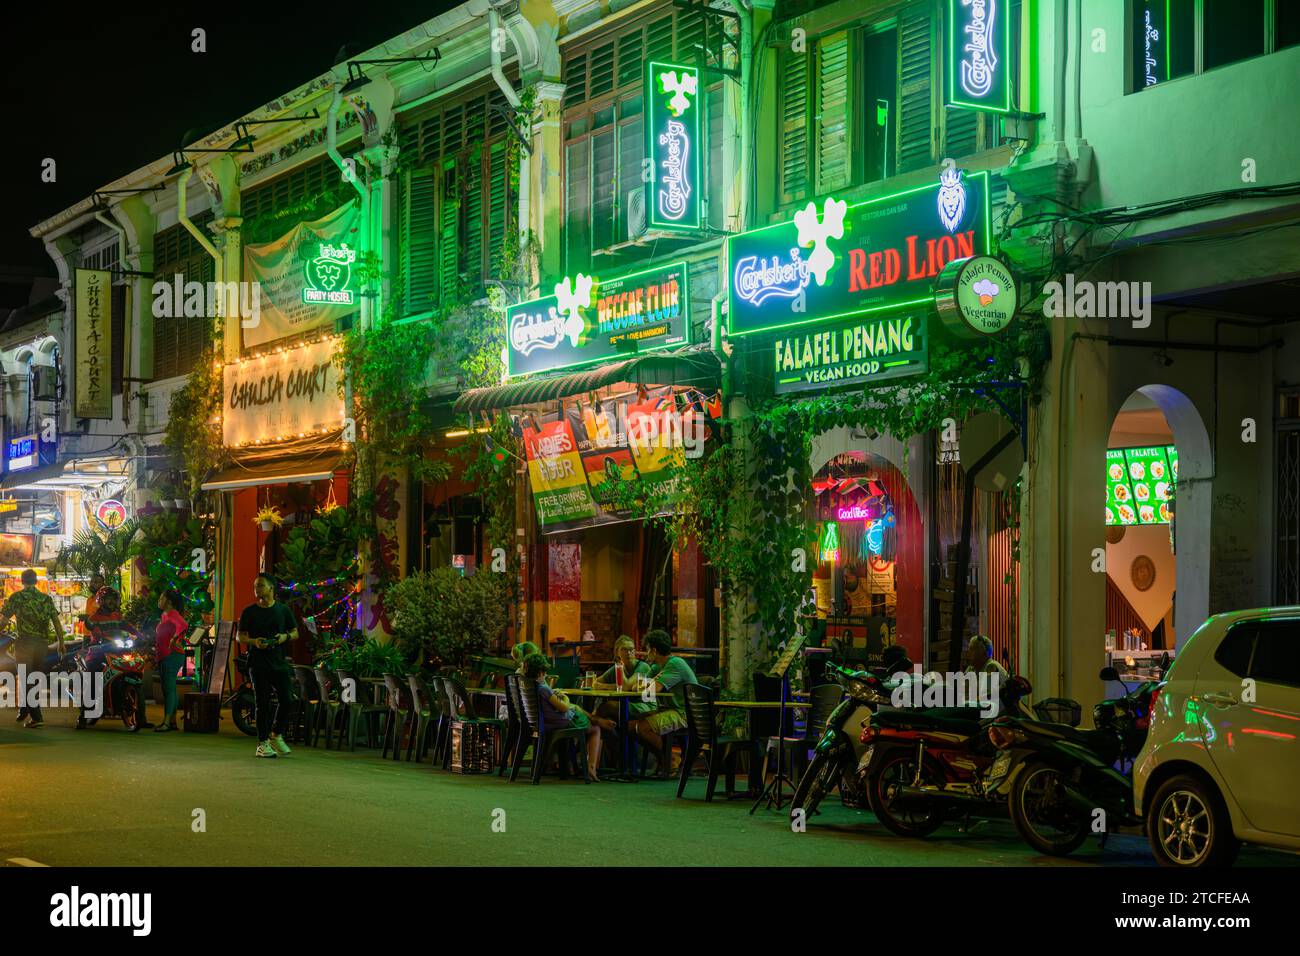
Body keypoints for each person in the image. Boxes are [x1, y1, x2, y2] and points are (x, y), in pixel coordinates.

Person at [236, 573, 297, 758]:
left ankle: (276, 734)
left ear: (271, 588)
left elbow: (295, 633)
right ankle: (262, 744)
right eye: (255, 586)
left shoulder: (283, 610)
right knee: (262, 704)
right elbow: (240, 636)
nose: (257, 589)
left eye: (261, 585)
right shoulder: (249, 611)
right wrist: (254, 642)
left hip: (279, 662)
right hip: (258, 663)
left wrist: (284, 637)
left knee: (287, 700)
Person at [0, 569, 65, 727]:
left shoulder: (17, 597)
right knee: (34, 677)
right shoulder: (46, 599)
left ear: (22, 581)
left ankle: (36, 717)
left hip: (24, 643)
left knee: (26, 678)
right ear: (36, 581)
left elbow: (4, 620)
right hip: (41, 644)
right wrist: (61, 642)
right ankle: (24, 710)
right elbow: (56, 622)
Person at [523, 652, 601, 782]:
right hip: (560, 722)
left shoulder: (530, 686)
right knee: (595, 729)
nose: (546, 675)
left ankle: (575, 763)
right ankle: (591, 767)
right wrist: (565, 697)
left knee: (581, 714)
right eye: (545, 672)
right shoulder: (543, 689)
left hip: (546, 723)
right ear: (540, 672)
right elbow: (564, 707)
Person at [628, 630, 697, 772]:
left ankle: (671, 759)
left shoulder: (675, 664)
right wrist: (651, 682)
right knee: (630, 726)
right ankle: (664, 759)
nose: (646, 654)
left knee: (642, 728)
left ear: (653, 650)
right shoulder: (656, 667)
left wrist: (650, 684)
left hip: (684, 713)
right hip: (667, 710)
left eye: (647, 650)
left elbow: (651, 691)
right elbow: (637, 688)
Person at [590, 635, 652, 733]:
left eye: (631, 649)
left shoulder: (643, 666)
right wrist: (614, 686)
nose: (629, 653)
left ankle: (591, 730)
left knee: (606, 707)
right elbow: (595, 682)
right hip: (627, 705)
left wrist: (619, 667)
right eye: (624, 649)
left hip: (645, 706)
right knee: (605, 716)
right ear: (617, 652)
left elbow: (625, 687)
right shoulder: (616, 668)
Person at [152, 589, 189, 732]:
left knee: (168, 690)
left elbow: (183, 625)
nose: (159, 600)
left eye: (161, 598)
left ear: (169, 602)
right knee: (169, 689)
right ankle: (172, 721)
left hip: (171, 655)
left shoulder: (173, 615)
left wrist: (175, 639)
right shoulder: (165, 615)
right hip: (163, 655)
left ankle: (167, 722)